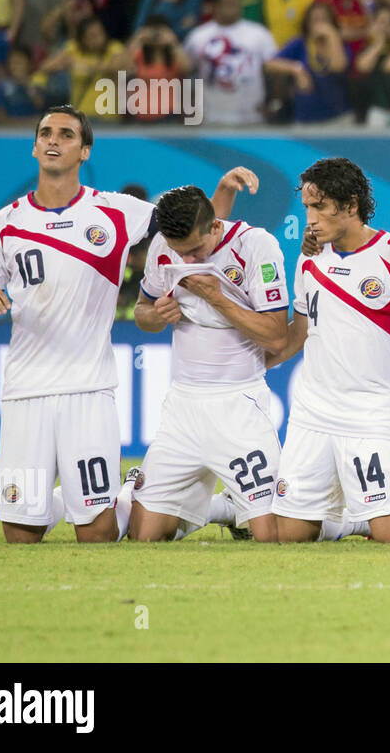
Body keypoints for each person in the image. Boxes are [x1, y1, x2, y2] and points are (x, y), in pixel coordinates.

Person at [0, 104, 249, 544]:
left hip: (90, 391)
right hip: (24, 391)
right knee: (21, 536)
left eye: (66, 134)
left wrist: (222, 190)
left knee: (96, 535)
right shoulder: (5, 224)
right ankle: (105, 495)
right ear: (35, 145)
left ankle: (198, 506)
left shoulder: (116, 212)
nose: (53, 140)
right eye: (46, 133)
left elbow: (194, 228)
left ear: (85, 150)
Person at [268, 158, 390, 543]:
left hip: (369, 416)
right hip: (311, 414)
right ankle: (347, 520)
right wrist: (258, 363)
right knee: (287, 537)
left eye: (320, 206)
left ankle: (360, 518)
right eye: (307, 207)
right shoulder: (310, 258)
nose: (310, 218)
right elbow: (300, 331)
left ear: (351, 205)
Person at [131, 186, 288, 543]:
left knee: (275, 536)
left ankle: (238, 505)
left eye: (194, 251)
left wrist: (215, 297)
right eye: (178, 252)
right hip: (182, 408)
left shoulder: (256, 247)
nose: (185, 261)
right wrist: (157, 315)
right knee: (145, 536)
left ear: (215, 227)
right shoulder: (163, 246)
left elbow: (277, 335)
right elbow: (142, 311)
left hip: (239, 405)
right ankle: (225, 507)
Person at [183, 0, 278, 126]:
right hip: (211, 118)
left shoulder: (259, 34)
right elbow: (186, 72)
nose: (232, 7)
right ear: (215, 6)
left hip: (251, 119)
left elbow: (275, 71)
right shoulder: (198, 36)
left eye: (235, 3)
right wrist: (190, 108)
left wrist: (273, 103)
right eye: (227, 3)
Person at [264, 1, 353, 124]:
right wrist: (296, 69)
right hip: (306, 117)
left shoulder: (339, 44)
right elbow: (269, 64)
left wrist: (331, 35)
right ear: (307, 23)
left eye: (324, 20)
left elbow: (338, 67)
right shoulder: (300, 43)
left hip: (338, 118)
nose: (320, 24)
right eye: (315, 20)